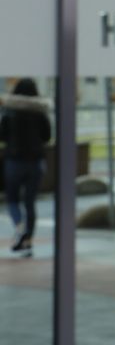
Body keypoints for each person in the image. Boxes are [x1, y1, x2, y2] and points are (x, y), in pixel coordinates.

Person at [1, 78, 53, 256]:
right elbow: (47, 136)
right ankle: (28, 241)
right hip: (36, 162)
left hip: (14, 161)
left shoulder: (9, 111)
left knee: (13, 199)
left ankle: (20, 227)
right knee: (30, 202)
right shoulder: (40, 112)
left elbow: (3, 136)